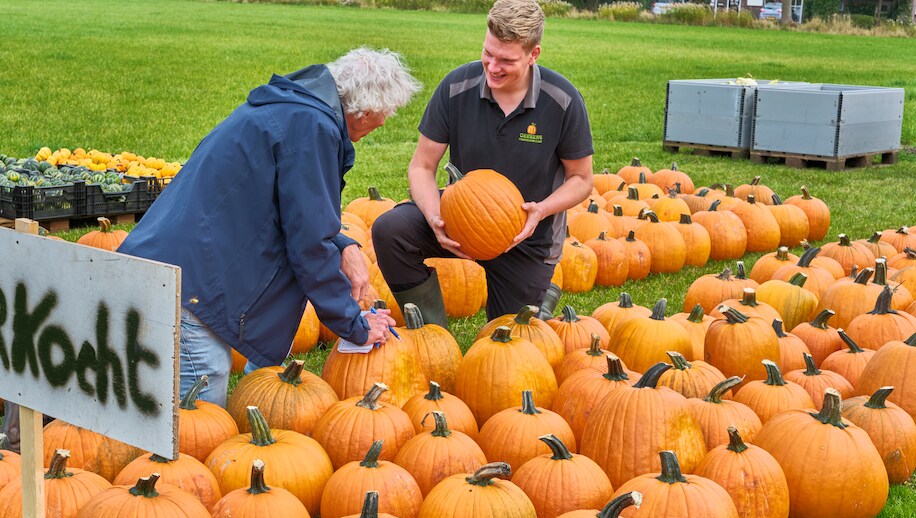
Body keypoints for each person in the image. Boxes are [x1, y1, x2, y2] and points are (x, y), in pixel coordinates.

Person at [117, 48, 421, 407]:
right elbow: (310, 244)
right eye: (384, 114)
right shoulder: (313, 128)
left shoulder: (296, 108)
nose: (384, 123)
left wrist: (344, 244)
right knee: (204, 383)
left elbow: (297, 213)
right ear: (362, 110)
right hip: (183, 275)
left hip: (169, 251)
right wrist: (355, 324)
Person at [371, 0, 594, 328]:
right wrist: (436, 218)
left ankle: (541, 294)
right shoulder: (456, 86)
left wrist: (541, 210)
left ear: (533, 55)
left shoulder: (562, 100)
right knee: (390, 230)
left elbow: (581, 178)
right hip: (462, 221)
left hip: (527, 239)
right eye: (488, 54)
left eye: (506, 60)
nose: (492, 67)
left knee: (510, 343)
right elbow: (422, 166)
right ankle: (433, 332)